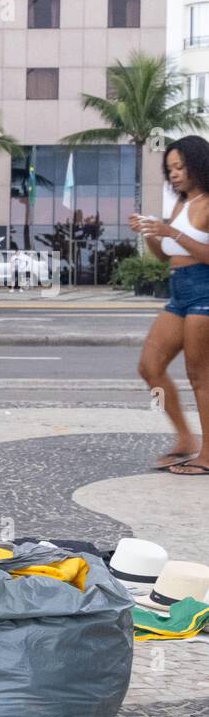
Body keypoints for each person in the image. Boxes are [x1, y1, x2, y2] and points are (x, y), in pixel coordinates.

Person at [131, 134, 209, 476]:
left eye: (180, 166)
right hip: (178, 292)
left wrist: (171, 232)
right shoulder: (179, 205)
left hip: (205, 292)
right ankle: (184, 438)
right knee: (149, 366)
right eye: (169, 168)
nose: (174, 174)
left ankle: (207, 454)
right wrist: (151, 234)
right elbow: (166, 257)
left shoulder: (208, 203)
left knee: (200, 377)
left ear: (198, 164)